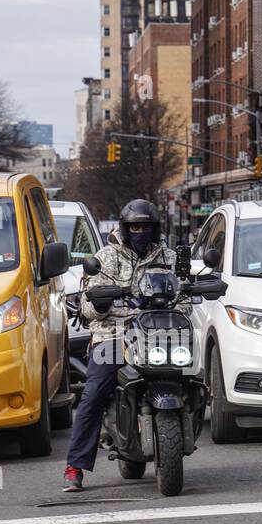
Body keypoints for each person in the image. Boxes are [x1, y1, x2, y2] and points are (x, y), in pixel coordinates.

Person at [62, 199, 181, 492]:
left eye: (146, 227)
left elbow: (185, 296)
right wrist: (100, 302)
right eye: (135, 227)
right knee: (93, 393)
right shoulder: (105, 258)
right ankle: (75, 465)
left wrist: (191, 296)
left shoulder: (169, 257)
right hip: (113, 334)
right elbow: (88, 310)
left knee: (188, 372)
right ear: (126, 229)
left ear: (155, 229)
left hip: (158, 333)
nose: (140, 232)